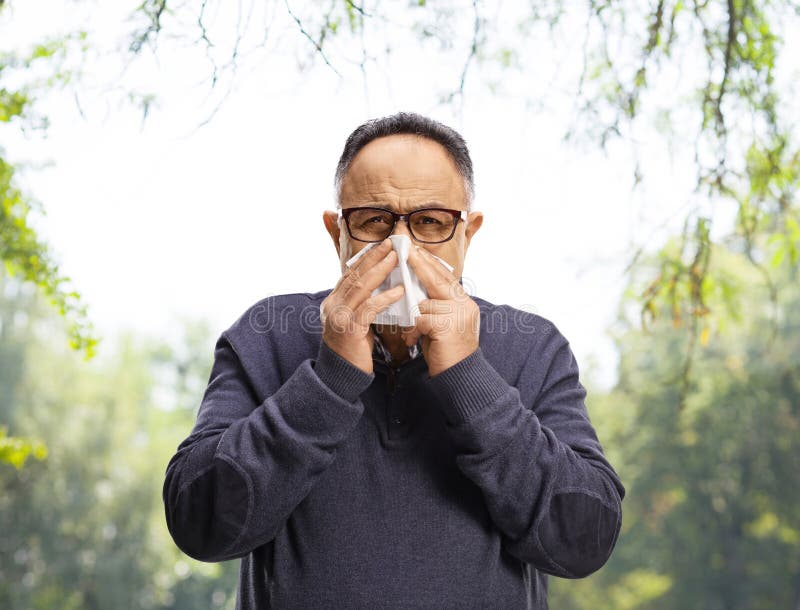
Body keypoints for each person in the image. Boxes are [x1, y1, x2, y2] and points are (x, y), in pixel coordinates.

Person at [163, 112, 625, 609]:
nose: (400, 247)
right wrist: (330, 380)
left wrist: (469, 379)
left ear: (467, 234)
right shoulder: (267, 335)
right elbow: (199, 523)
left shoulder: (533, 347)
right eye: (374, 221)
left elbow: (584, 539)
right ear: (337, 233)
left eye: (430, 222)